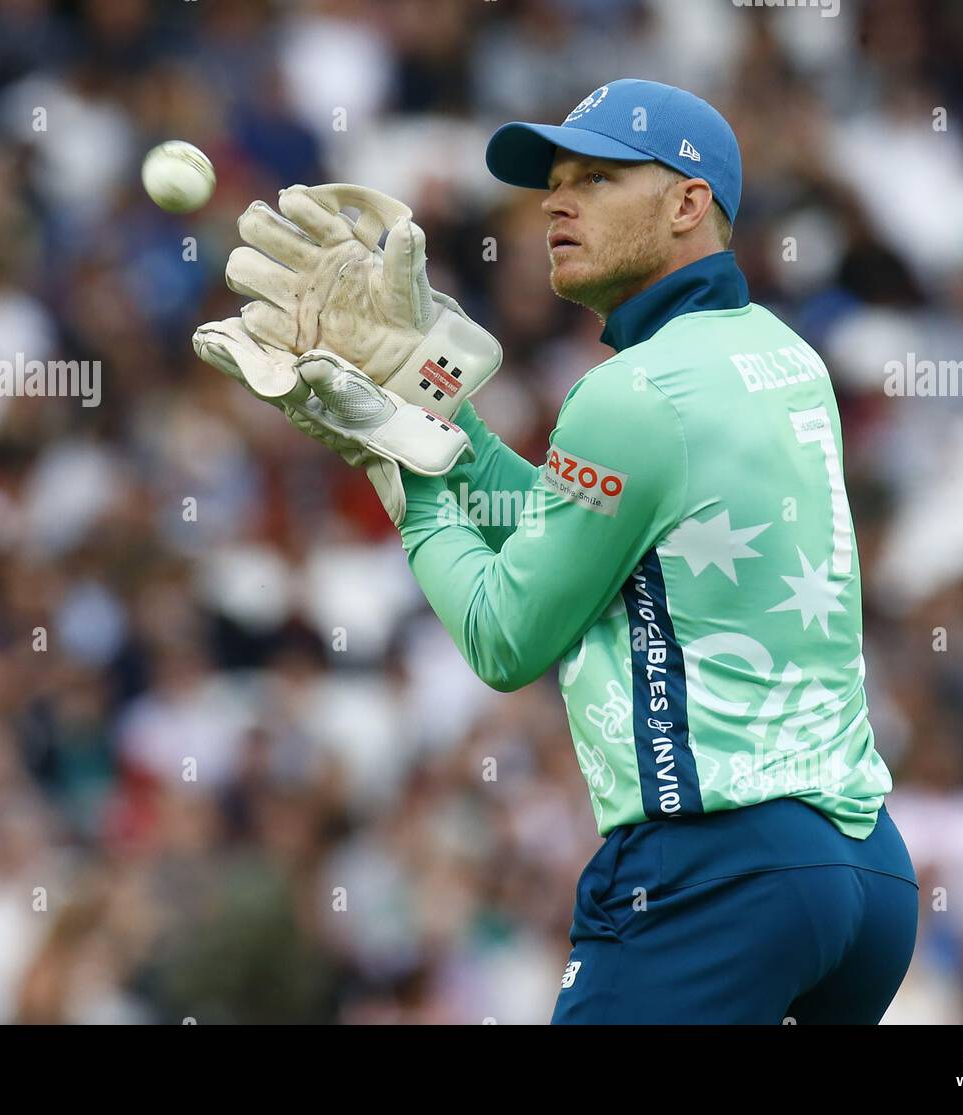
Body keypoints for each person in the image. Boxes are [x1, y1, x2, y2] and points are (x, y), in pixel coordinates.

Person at [194, 78, 919, 1024]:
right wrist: (433, 408)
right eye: (556, 181)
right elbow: (582, 529)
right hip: (864, 873)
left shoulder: (631, 393)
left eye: (599, 178)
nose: (557, 202)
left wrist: (403, 469)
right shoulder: (782, 355)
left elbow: (505, 636)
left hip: (715, 872)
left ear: (689, 203)